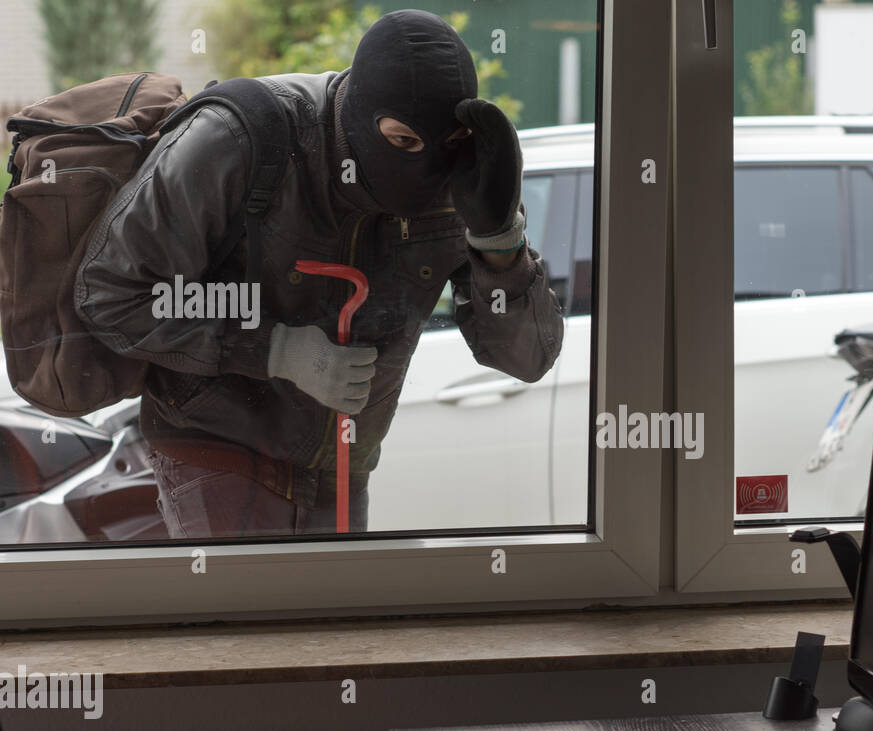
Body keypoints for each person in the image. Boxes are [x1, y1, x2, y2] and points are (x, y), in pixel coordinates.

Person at [74, 9, 563, 538]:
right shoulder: (237, 138)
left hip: (345, 467)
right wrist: (276, 350)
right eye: (401, 141)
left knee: (329, 621)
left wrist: (500, 246)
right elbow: (110, 293)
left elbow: (528, 358)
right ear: (359, 112)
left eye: (442, 145)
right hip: (216, 444)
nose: (422, 167)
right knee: (252, 616)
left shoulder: (463, 177)